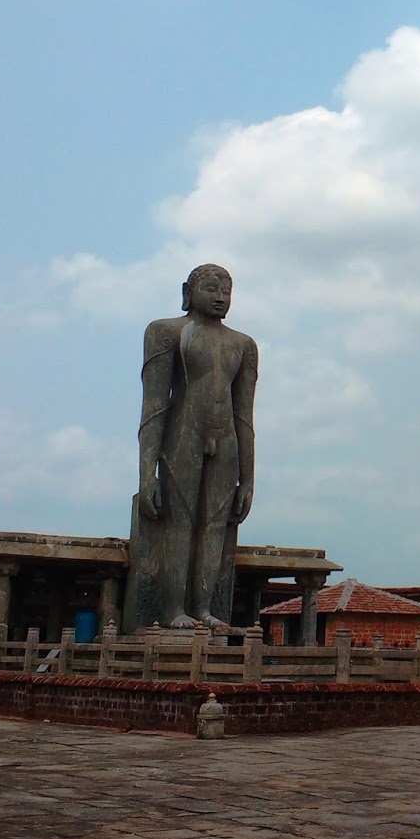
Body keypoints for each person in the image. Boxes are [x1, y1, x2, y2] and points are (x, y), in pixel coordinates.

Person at [126, 263, 257, 629]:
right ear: (188, 292)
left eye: (226, 291)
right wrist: (146, 473)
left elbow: (245, 416)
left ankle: (202, 608)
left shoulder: (243, 345)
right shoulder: (166, 332)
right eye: (211, 288)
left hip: (226, 439)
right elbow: (154, 407)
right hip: (182, 435)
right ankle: (172, 611)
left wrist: (248, 478)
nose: (220, 297)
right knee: (179, 523)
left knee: (214, 525)